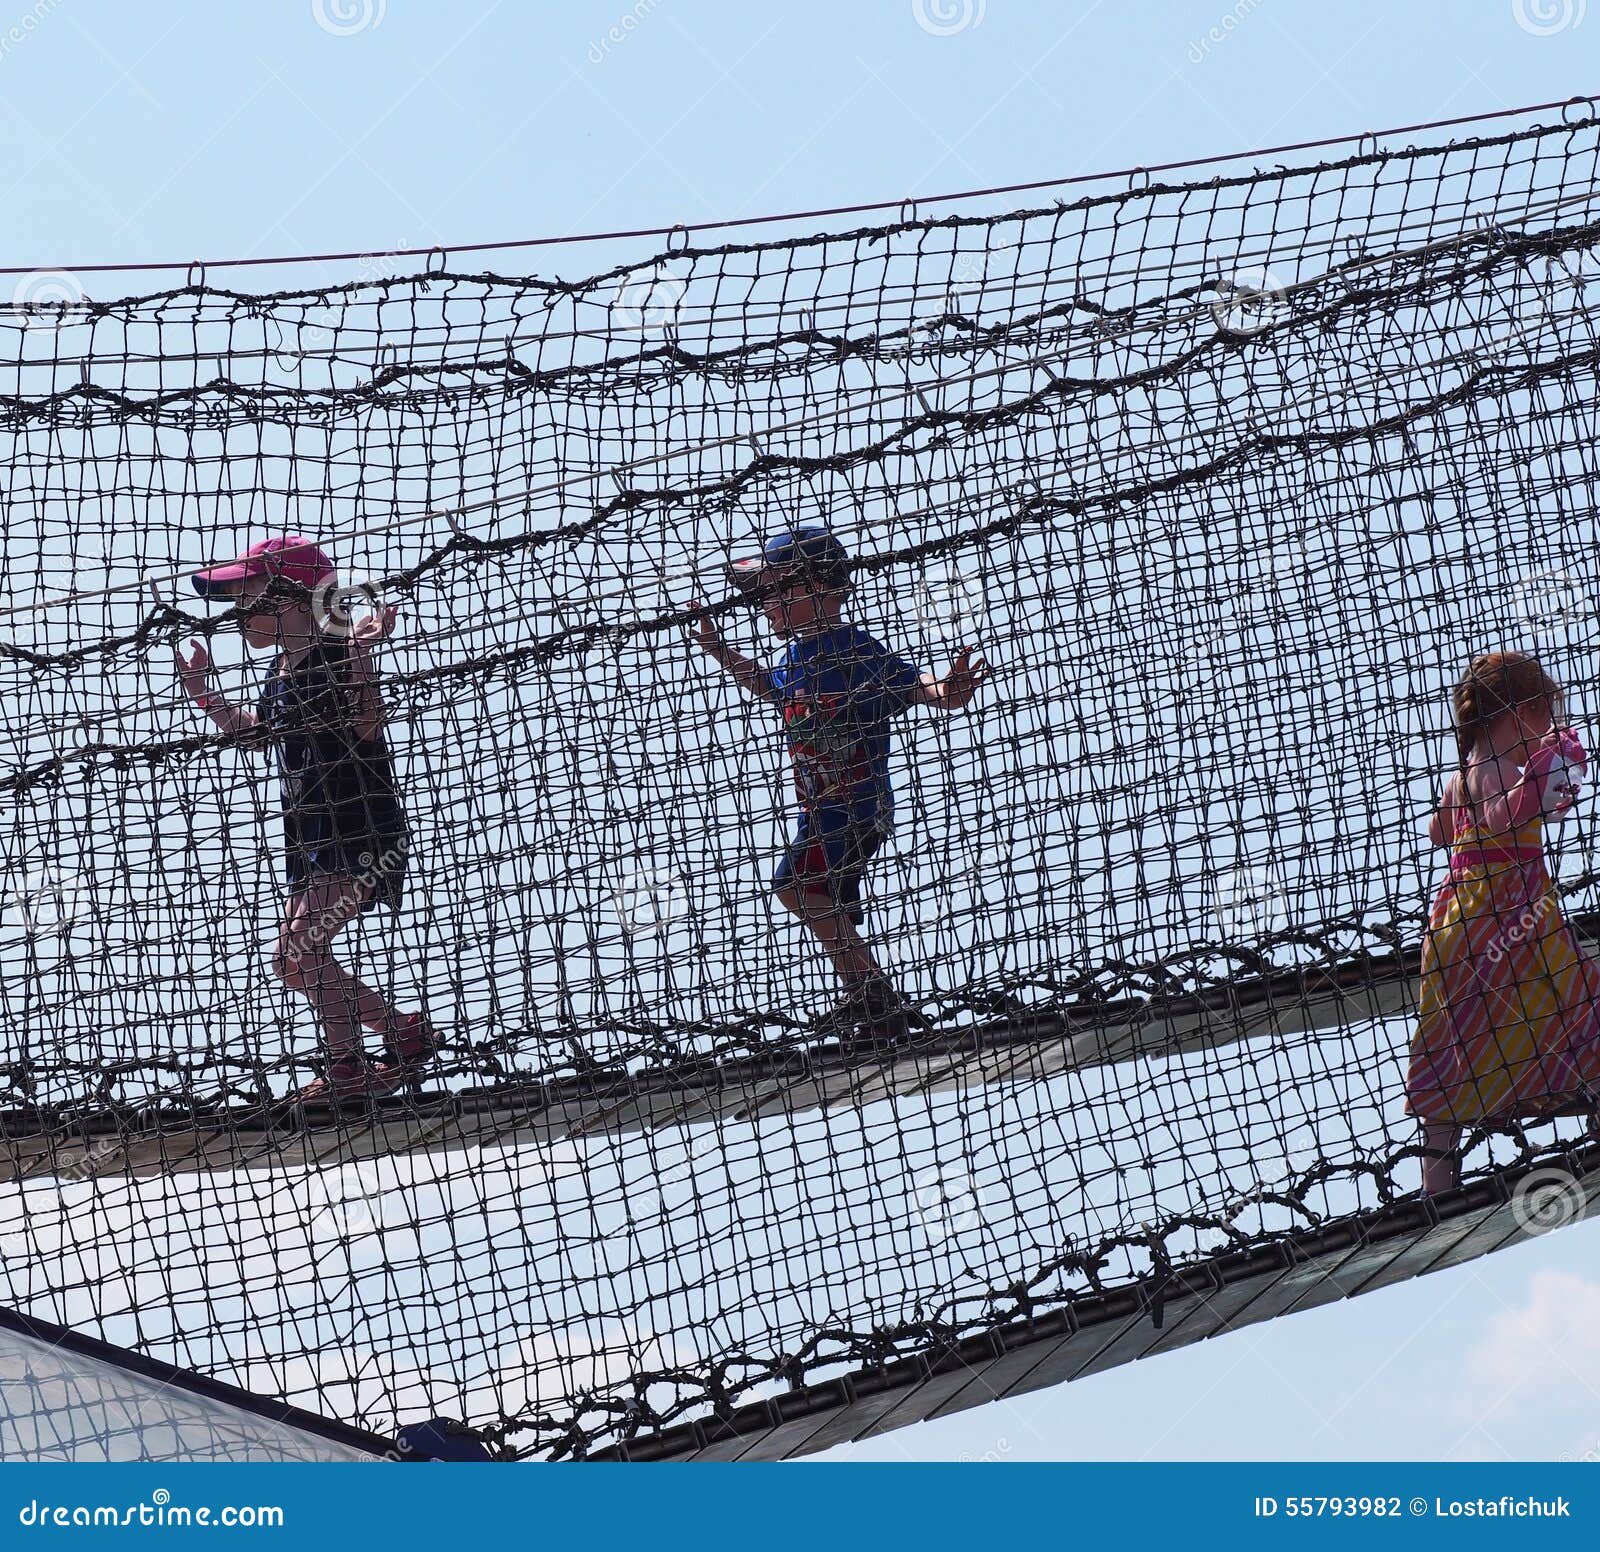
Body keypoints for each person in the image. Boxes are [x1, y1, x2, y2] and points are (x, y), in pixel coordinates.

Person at [689, 526, 988, 1036]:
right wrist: (719, 651)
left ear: (821, 588)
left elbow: (916, 686)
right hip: (825, 808)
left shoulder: (853, 650)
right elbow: (768, 687)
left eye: (777, 590)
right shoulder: (794, 659)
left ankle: (875, 995)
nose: (766, 603)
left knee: (796, 887)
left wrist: (949, 690)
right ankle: (867, 1000)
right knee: (826, 903)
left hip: (853, 804)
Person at [175, 535, 436, 1100]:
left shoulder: (336, 653)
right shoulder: (280, 673)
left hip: (361, 831)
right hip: (313, 837)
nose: (237, 611)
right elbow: (259, 734)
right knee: (292, 961)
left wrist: (362, 653)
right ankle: (402, 1034)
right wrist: (205, 698)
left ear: (293, 596)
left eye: (249, 594)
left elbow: (368, 728)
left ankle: (348, 1067)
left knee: (302, 950)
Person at [1405, 650, 1600, 1193]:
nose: (1548, 728)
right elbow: (1505, 814)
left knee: (1454, 1047)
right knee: (1582, 1001)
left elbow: (1438, 833)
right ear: (1515, 713)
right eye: (1542, 715)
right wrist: (1538, 775)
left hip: (1454, 927)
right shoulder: (1498, 770)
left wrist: (1545, 778)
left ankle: (1436, 1184)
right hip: (1511, 921)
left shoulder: (1462, 774)